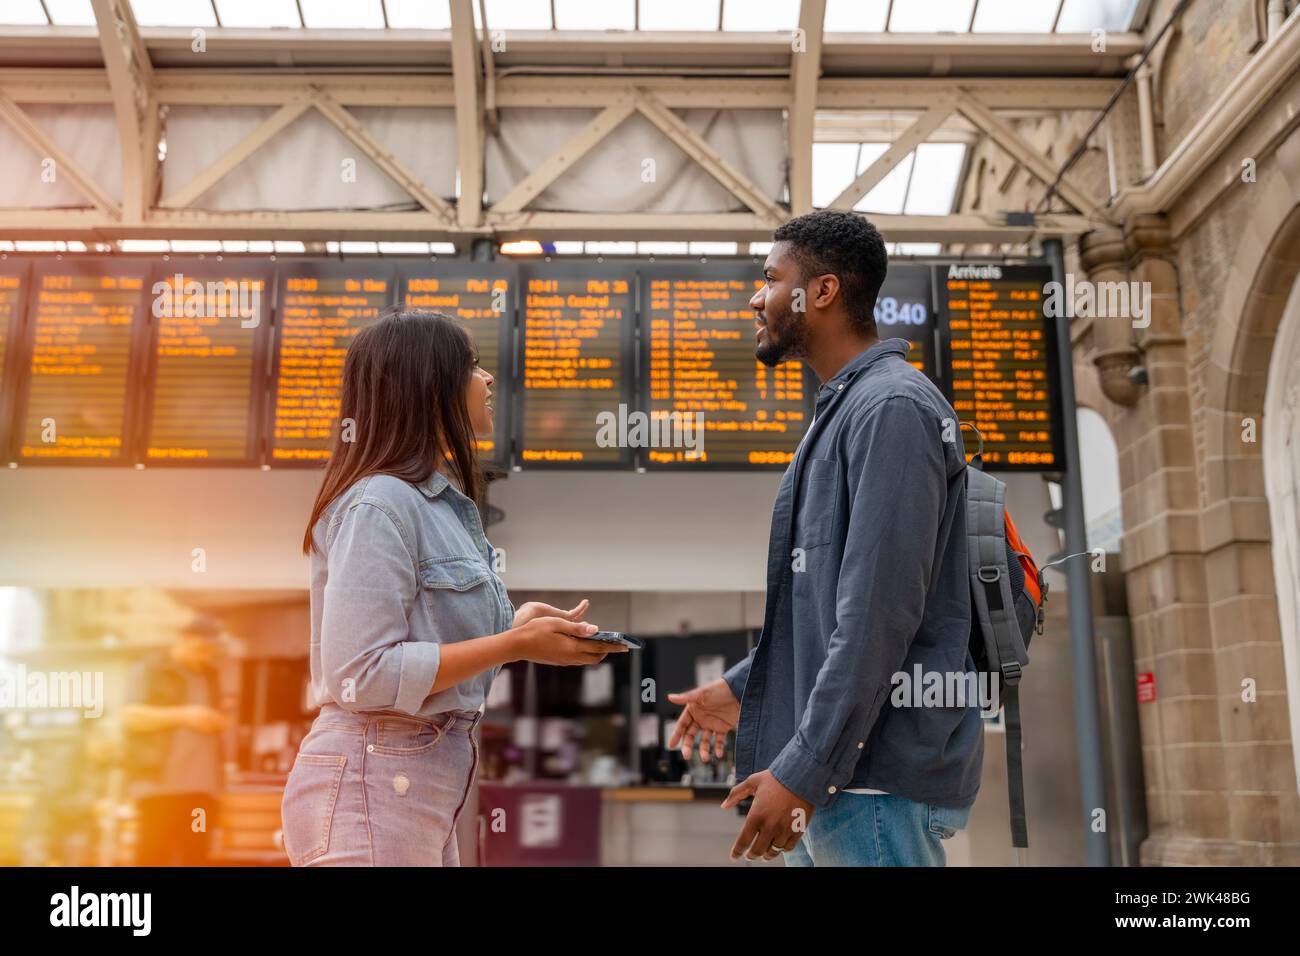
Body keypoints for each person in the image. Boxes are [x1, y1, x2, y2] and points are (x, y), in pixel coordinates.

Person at [668, 210, 982, 866]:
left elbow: (877, 618)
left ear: (823, 291)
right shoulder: (848, 413)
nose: (757, 297)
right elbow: (828, 616)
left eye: (770, 279)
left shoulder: (892, 410)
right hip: (845, 782)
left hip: (871, 783)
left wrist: (805, 767)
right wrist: (739, 687)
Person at [280, 308, 624, 867]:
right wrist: (513, 646)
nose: (488, 380)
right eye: (473, 366)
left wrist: (518, 628)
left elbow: (431, 650)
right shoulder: (380, 503)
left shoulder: (434, 503)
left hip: (417, 788)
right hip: (371, 786)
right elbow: (361, 675)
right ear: (428, 383)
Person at [122, 615, 228, 866]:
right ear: (183, 640)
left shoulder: (210, 675)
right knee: (151, 859)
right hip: (160, 787)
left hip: (203, 791)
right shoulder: (150, 670)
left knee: (196, 859)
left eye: (211, 650)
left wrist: (217, 722)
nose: (206, 656)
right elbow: (130, 717)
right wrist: (186, 715)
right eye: (201, 648)